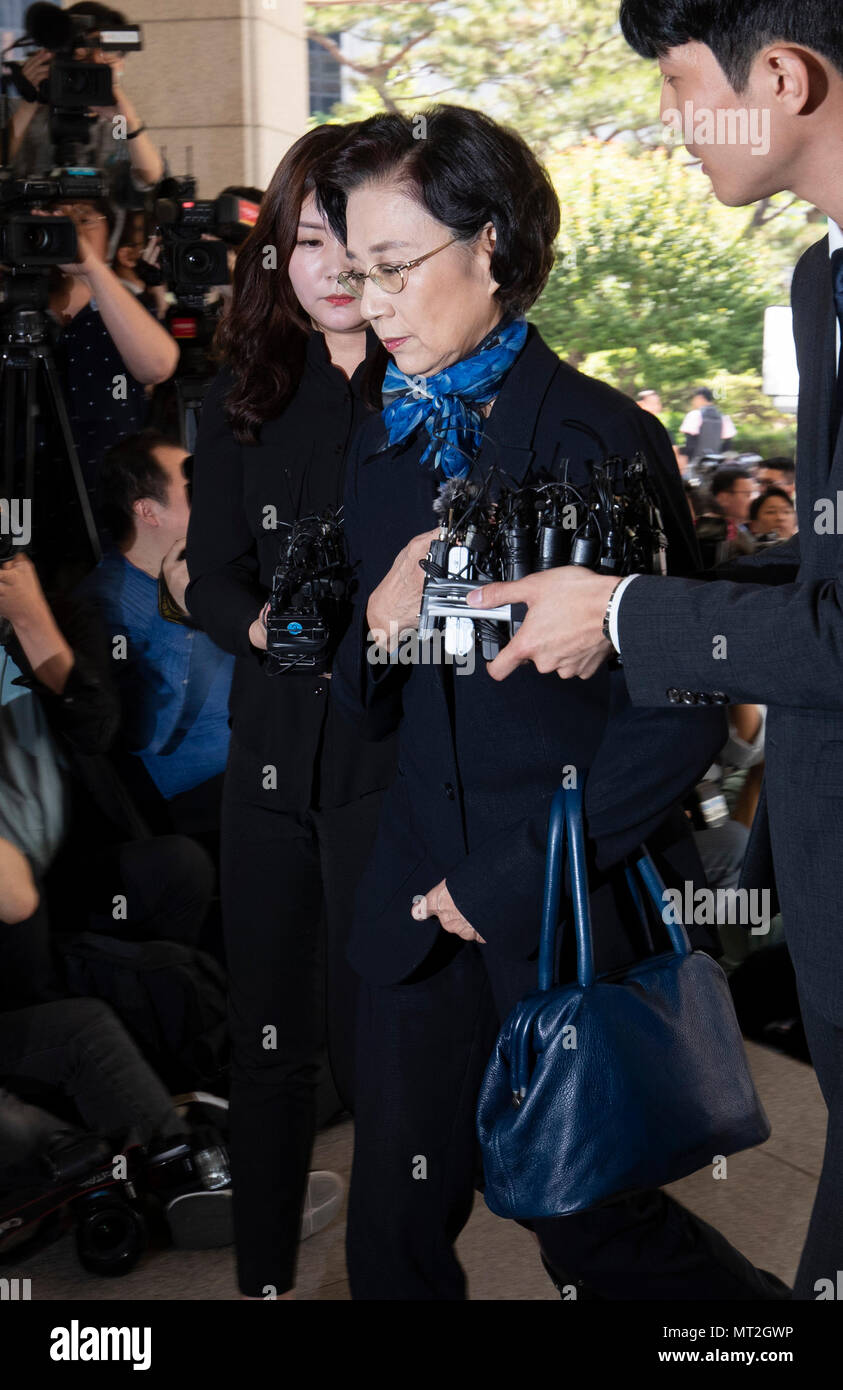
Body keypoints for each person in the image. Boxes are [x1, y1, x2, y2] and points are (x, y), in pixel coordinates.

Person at [318, 105, 787, 1301]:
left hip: (557, 913)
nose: (369, 300)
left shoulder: (602, 436)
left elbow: (679, 712)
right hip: (413, 914)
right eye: (353, 270)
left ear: (490, 247)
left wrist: (514, 876)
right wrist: (376, 626)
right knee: (392, 1234)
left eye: (393, 268)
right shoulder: (379, 440)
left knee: (597, 1232)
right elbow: (367, 701)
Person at [466, 0, 843, 1301]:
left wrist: (623, 612)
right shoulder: (818, 280)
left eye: (680, 82)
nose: (668, 121)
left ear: (779, 76)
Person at [184, 125, 397, 1301]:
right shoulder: (239, 404)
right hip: (267, 763)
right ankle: (263, 1282)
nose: (328, 265)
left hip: (395, 764)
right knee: (267, 1046)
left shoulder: (433, 390)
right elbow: (211, 574)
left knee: (385, 1054)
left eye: (352, 240)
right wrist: (259, 626)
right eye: (304, 238)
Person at [76, 430, 234, 845]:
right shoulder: (105, 604)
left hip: (257, 764)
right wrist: (178, 615)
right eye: (190, 487)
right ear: (147, 511)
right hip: (195, 796)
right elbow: (144, 735)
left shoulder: (211, 565)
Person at [6, 2, 163, 204]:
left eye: (105, 58)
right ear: (54, 56)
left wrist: (129, 121)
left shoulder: (117, 125)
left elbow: (150, 179)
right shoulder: (21, 111)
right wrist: (29, 102)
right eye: (81, 56)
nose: (90, 69)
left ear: (121, 64)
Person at [680, 387, 737, 464]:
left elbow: (689, 443)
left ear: (700, 398)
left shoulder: (695, 415)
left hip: (696, 463)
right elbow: (728, 445)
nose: (693, 402)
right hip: (716, 463)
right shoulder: (724, 418)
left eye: (694, 399)